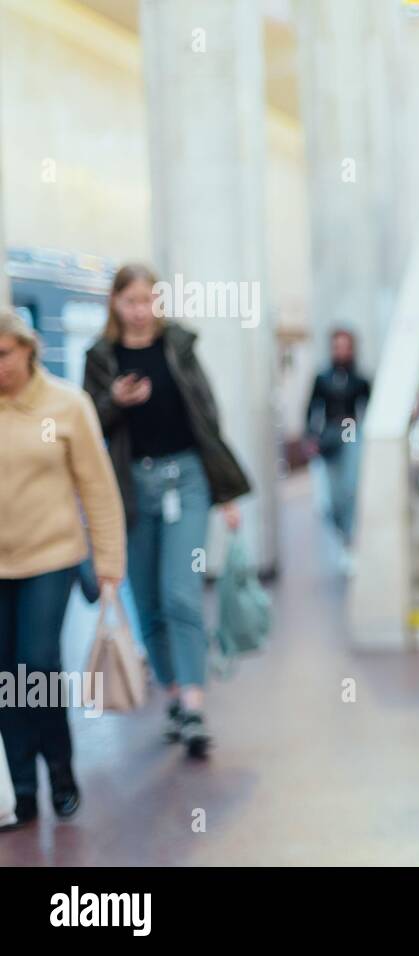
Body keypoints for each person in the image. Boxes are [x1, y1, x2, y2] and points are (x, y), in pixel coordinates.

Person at [83, 264, 251, 759]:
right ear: (115, 304)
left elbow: (207, 415)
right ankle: (174, 695)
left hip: (188, 478)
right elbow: (88, 421)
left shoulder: (178, 344)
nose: (140, 310)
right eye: (130, 301)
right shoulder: (101, 356)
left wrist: (226, 495)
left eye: (148, 300)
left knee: (182, 590)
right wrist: (114, 401)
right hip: (131, 487)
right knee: (148, 597)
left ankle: (195, 705)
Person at [0, 308, 125, 829]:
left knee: (37, 663)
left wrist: (110, 564)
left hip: (52, 556)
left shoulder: (67, 405)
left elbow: (97, 487)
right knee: (6, 676)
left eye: (3, 353)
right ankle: (22, 787)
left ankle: (61, 770)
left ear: (28, 348)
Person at [304, 329, 370, 560]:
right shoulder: (322, 378)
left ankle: (350, 540)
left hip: (351, 432)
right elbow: (312, 408)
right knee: (331, 499)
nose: (341, 351)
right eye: (337, 346)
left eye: (345, 346)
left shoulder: (360, 380)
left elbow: (368, 409)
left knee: (349, 488)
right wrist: (311, 436)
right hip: (329, 436)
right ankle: (342, 532)